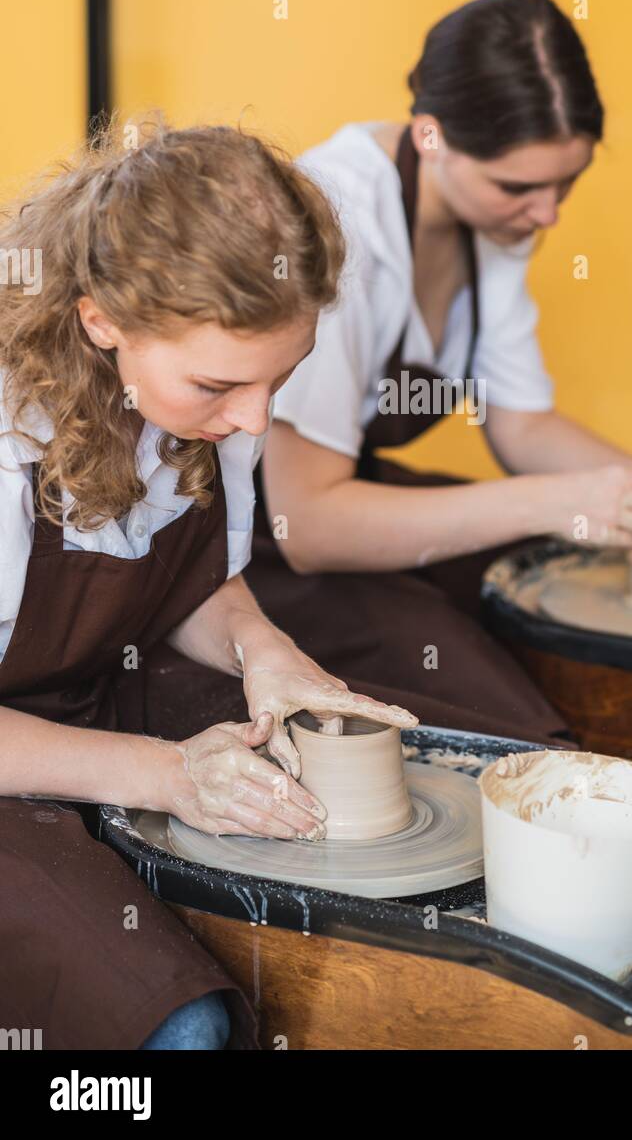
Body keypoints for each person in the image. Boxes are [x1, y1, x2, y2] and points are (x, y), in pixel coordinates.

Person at [0, 118, 415, 1050]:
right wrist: (167, 774)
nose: (256, 416)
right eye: (219, 386)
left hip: (92, 691)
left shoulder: (226, 389)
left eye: (284, 375)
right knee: (176, 1026)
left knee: (366, 783)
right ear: (100, 319)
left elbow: (190, 584)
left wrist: (266, 652)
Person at [246, 0, 632, 740]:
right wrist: (557, 502)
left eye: (566, 182)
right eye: (518, 186)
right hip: (251, 540)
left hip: (349, 499)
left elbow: (521, 424)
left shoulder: (494, 222)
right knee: (517, 729)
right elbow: (308, 524)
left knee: (549, 569)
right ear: (430, 136)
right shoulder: (334, 217)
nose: (547, 214)